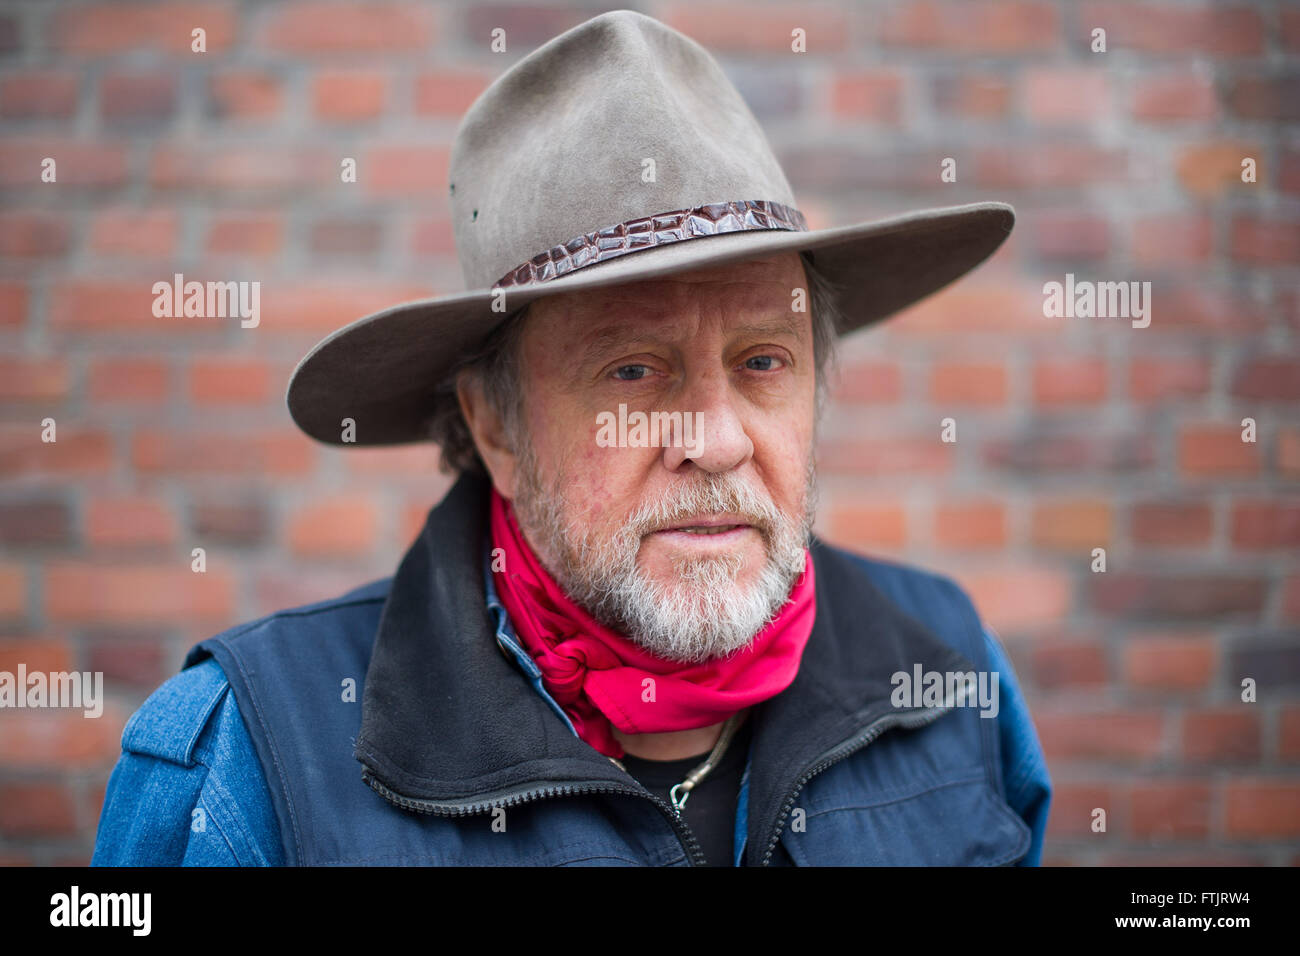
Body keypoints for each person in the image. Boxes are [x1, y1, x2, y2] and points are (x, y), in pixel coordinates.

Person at [93, 9, 1050, 867]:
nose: (714, 440)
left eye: (764, 361)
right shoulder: (248, 759)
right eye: (633, 371)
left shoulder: (951, 672)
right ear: (494, 424)